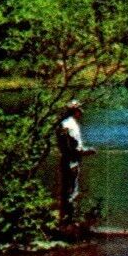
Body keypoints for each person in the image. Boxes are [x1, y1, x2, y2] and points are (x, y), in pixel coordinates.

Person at [56, 99, 95, 231]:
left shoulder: (63, 123)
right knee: (72, 192)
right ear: (76, 111)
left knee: (65, 192)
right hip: (72, 162)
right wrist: (88, 151)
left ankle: (63, 222)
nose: (82, 111)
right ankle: (69, 225)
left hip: (65, 161)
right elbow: (74, 146)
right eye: (80, 109)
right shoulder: (71, 125)